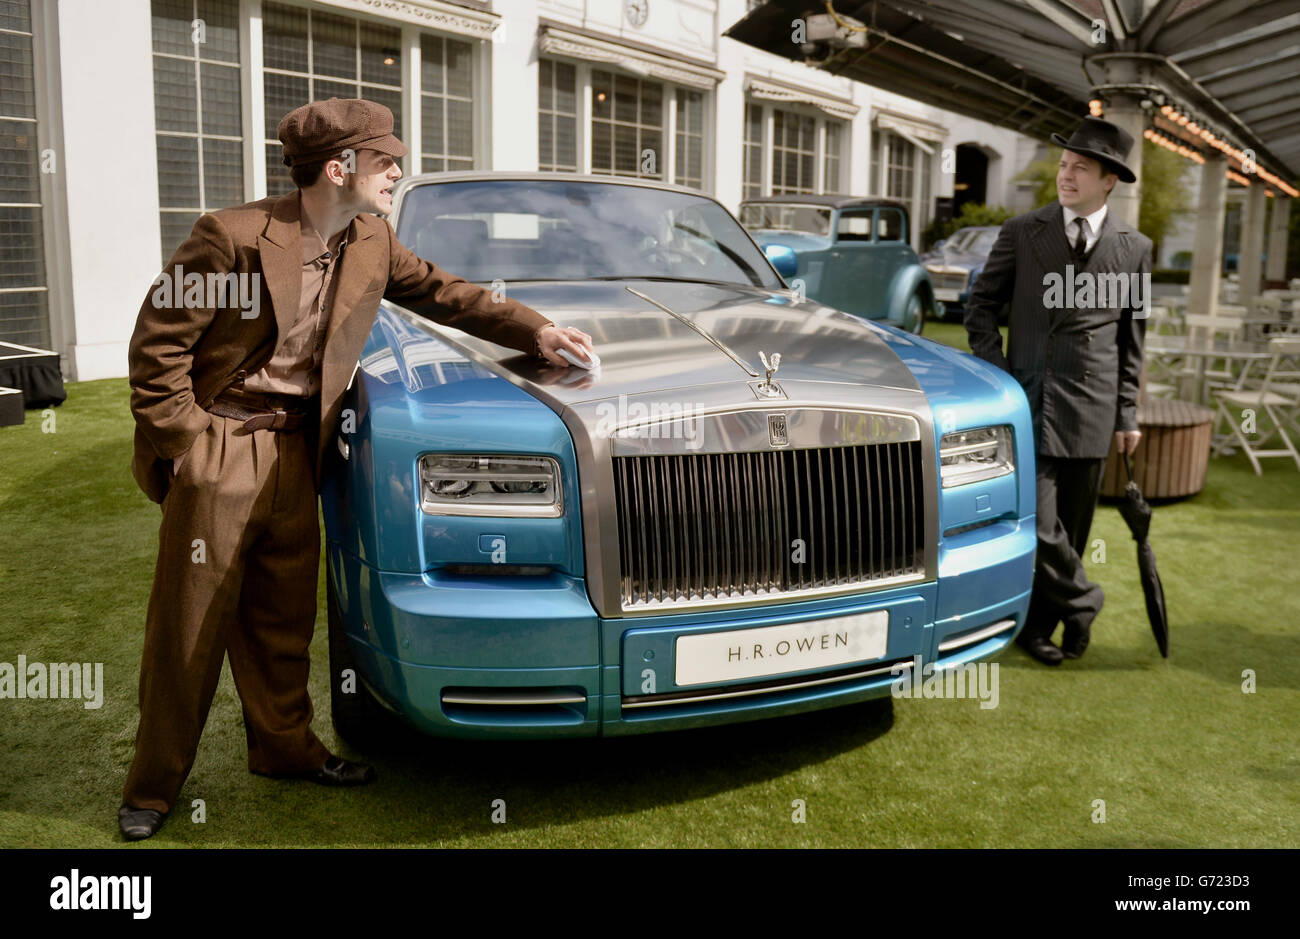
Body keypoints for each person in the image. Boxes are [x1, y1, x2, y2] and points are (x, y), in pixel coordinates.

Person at [119, 98, 596, 840]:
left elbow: (448, 292)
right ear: (338, 168)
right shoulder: (232, 237)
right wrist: (188, 447)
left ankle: (285, 750)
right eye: (385, 160)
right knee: (189, 625)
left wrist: (537, 328)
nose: (398, 171)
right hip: (223, 446)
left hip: (300, 451)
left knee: (284, 618)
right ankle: (151, 787)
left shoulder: (371, 238)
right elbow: (156, 348)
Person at [964, 115, 1150, 666]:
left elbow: (1131, 340)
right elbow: (980, 308)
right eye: (1064, 165)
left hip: (1093, 411)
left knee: (1074, 525)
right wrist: (1000, 376)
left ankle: (1044, 627)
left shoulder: (1135, 247)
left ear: (1108, 179)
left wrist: (1127, 415)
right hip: (1031, 402)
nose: (1066, 175)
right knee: (1042, 528)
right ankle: (1085, 599)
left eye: (1080, 168)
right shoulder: (1022, 232)